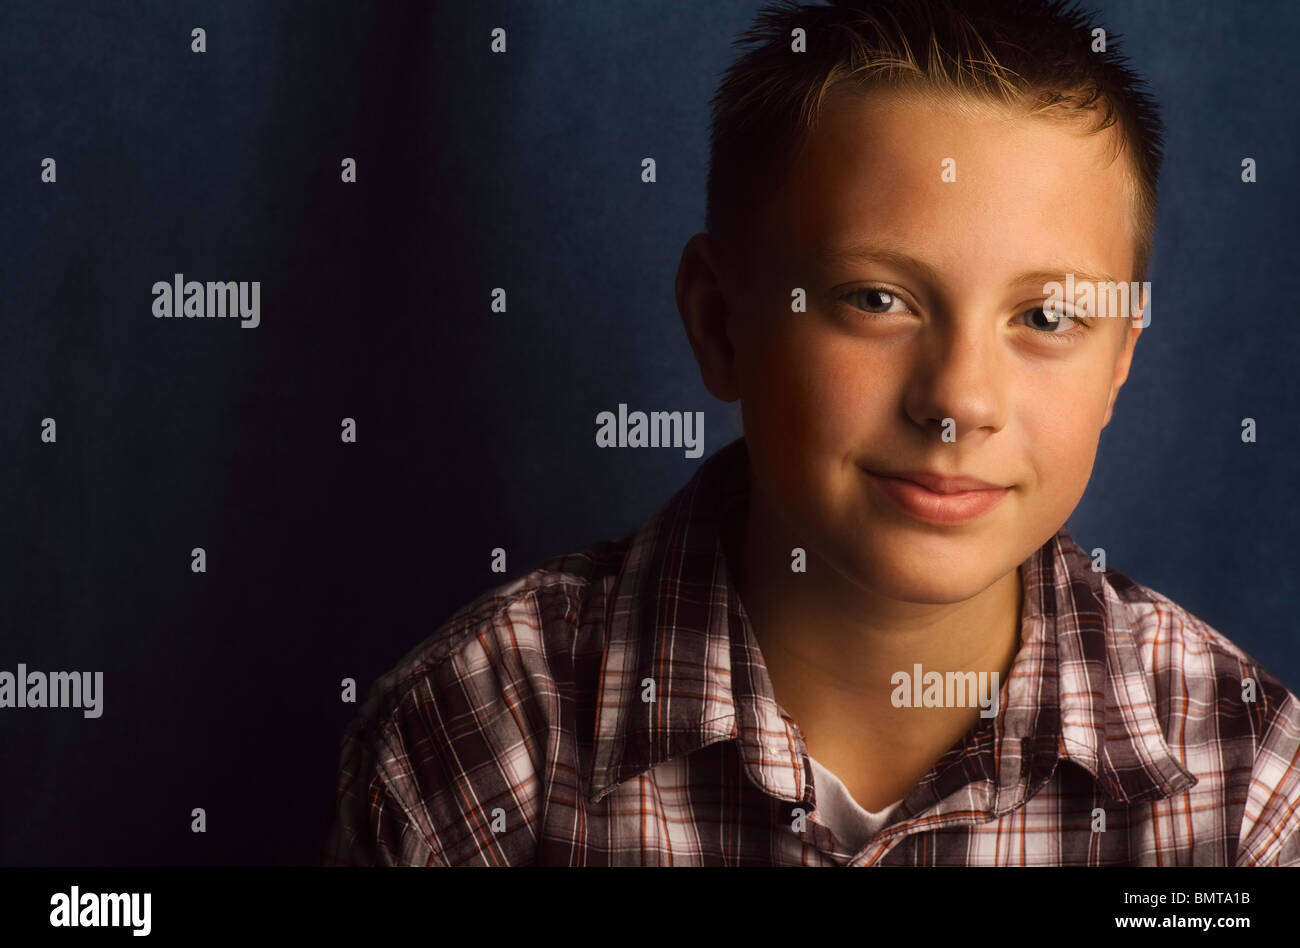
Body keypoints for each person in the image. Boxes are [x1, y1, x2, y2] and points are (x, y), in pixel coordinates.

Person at [323, 0, 1300, 865]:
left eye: (1045, 318)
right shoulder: (476, 738)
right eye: (875, 299)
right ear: (719, 323)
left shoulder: (1245, 779)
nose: (957, 400)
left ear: (1119, 361)